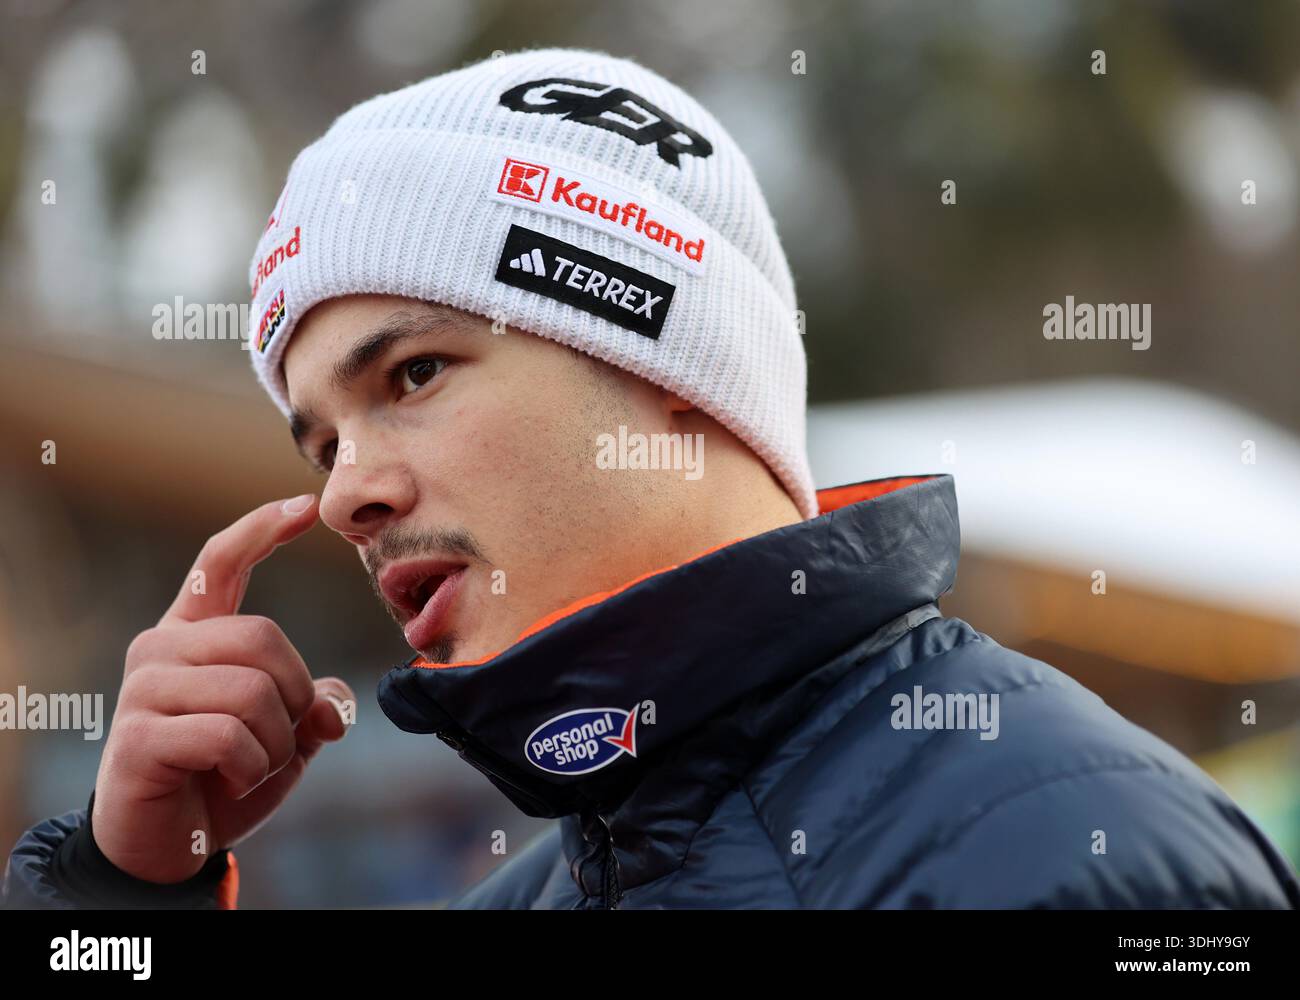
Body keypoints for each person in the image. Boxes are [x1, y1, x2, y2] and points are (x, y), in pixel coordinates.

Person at [5, 49, 1297, 910]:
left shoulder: (1078, 846)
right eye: (322, 441)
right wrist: (126, 892)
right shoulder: (529, 891)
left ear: (669, 356)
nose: (347, 494)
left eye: (409, 376)